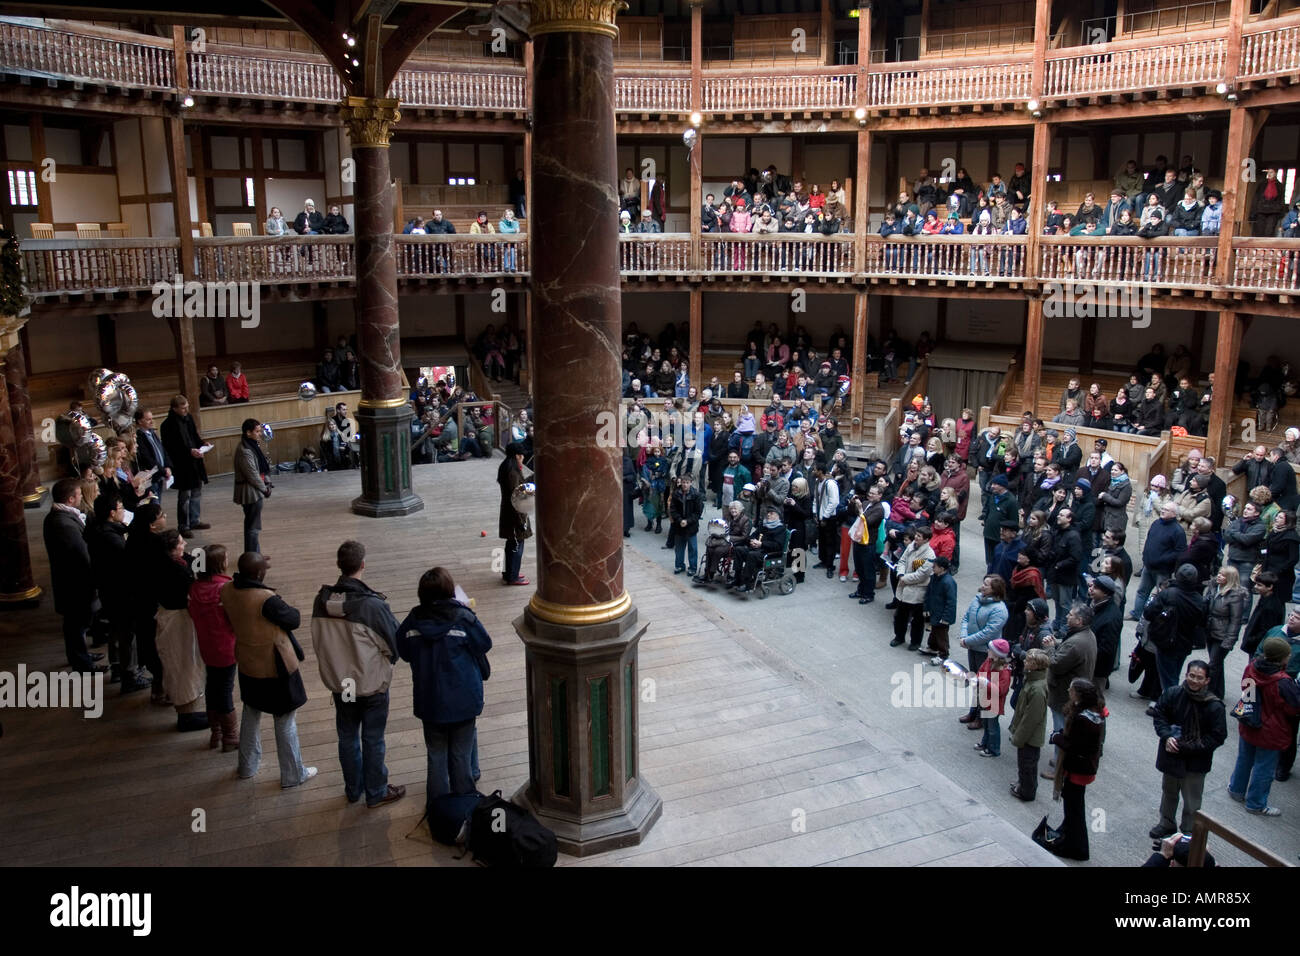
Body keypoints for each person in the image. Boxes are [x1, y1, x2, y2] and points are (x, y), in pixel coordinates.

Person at [312, 540, 405, 808]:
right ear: (363, 565)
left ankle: (353, 790)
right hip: (371, 683)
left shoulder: (321, 601)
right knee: (373, 738)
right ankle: (376, 792)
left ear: (339, 565)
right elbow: (394, 644)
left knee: (347, 735)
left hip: (342, 685)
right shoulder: (372, 606)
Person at [398, 567, 491, 805]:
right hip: (463, 699)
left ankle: (438, 806)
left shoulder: (413, 620)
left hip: (429, 699)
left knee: (436, 753)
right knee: (461, 753)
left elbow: (404, 651)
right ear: (450, 592)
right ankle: (464, 805)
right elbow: (484, 644)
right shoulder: (463, 618)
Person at [223, 551, 317, 789]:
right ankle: (293, 773)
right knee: (285, 718)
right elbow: (293, 619)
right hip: (275, 664)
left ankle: (247, 766)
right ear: (260, 573)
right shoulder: (266, 599)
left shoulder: (227, 591)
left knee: (251, 711)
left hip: (247, 660)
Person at [1148, 660, 1227, 838]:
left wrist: (1189, 746)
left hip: (1195, 762)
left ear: (1207, 681)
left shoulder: (1214, 706)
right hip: (1171, 755)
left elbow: (1217, 736)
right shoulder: (1173, 693)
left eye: (1199, 678)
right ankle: (1166, 823)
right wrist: (1167, 736)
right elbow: (1159, 714)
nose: (1194, 680)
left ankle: (1189, 832)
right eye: (1192, 676)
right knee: (1169, 792)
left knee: (1192, 801)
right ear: (1186, 675)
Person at [1033, 677, 1106, 861]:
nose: (1068, 691)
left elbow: (1075, 746)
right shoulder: (1091, 713)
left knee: (1075, 809)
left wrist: (1056, 737)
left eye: (1071, 689)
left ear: (1079, 695)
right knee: (1073, 807)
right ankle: (1070, 837)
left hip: (1078, 769)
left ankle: (1077, 847)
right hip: (1081, 768)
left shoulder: (1084, 719)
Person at [1228, 636, 1300, 816]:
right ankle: (1256, 803)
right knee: (1264, 768)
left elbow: (1246, 689)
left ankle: (1236, 790)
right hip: (1271, 732)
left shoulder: (1251, 667)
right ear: (1281, 658)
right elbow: (1293, 708)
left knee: (1244, 759)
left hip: (1249, 723)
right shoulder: (1283, 681)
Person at [43, 478, 106, 674]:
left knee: (75, 624)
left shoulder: (59, 516)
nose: (81, 497)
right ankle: (82, 664)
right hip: (74, 584)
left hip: (71, 582)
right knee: (76, 625)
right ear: (70, 499)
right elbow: (81, 555)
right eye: (79, 495)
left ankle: (80, 656)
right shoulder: (64, 525)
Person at [153, 528, 209, 732]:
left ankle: (188, 711)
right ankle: (186, 716)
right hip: (177, 621)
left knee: (184, 664)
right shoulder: (174, 571)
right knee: (183, 665)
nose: (184, 544)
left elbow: (193, 558)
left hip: (175, 617)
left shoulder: (168, 562)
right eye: (180, 542)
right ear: (171, 550)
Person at [189, 544, 240, 752]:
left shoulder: (194, 589)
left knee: (212, 685)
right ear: (220, 564)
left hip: (207, 645)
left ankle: (215, 732)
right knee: (225, 688)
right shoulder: (225, 589)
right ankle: (231, 736)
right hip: (227, 646)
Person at [1143, 563, 1208, 692]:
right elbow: (1203, 622)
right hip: (1185, 643)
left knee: (1168, 679)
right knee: (1174, 674)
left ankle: (1170, 706)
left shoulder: (1168, 594)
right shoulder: (1199, 600)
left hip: (1167, 641)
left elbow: (1149, 613)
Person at [956, 575, 1009, 720]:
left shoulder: (1000, 610)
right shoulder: (977, 599)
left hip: (985, 652)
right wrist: (963, 637)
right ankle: (973, 712)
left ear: (995, 590)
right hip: (972, 647)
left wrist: (967, 640)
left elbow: (988, 633)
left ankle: (981, 717)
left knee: (984, 685)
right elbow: (966, 618)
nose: (983, 586)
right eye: (984, 583)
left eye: (987, 585)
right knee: (975, 682)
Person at [161, 394, 209, 538]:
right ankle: (183, 525)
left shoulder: (188, 419)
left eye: (187, 407)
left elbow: (194, 436)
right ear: (174, 408)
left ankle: (195, 520)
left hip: (194, 462)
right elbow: (171, 447)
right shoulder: (167, 425)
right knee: (184, 495)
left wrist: (202, 444)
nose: (186, 410)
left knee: (196, 491)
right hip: (182, 464)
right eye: (183, 408)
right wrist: (189, 451)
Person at [1010, 648, 1051, 800]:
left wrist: (1019, 737)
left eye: (1028, 661)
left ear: (1035, 665)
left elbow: (1031, 718)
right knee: (1025, 763)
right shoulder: (1032, 679)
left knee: (1028, 764)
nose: (1024, 662)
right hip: (1027, 733)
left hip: (1030, 736)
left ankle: (1026, 791)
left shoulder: (1037, 688)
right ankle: (1024, 784)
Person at [1205, 565, 1248, 701]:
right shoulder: (1213, 588)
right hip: (1211, 631)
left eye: (1223, 575)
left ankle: (1209, 692)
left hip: (1222, 635)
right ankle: (1218, 692)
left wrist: (1229, 640)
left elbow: (1235, 621)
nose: (1219, 576)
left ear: (1230, 579)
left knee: (1213, 665)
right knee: (1217, 663)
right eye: (1219, 573)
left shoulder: (1235, 596)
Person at [232, 418, 272, 555]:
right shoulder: (245, 450)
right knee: (252, 527)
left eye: (260, 431)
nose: (260, 434)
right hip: (249, 492)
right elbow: (252, 474)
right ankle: (252, 556)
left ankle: (255, 554)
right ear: (248, 433)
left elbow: (260, 469)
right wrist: (264, 488)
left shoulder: (252, 445)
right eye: (257, 431)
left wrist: (266, 481)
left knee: (252, 524)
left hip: (254, 490)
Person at [890, 526, 935, 649]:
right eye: (916, 535)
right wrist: (900, 573)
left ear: (926, 540)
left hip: (917, 591)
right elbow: (902, 561)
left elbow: (921, 574)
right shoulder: (911, 546)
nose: (916, 537)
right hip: (904, 589)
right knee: (900, 617)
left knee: (917, 620)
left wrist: (905, 578)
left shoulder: (929, 555)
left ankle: (915, 642)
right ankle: (899, 637)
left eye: (919, 536)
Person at [971, 638, 1013, 757]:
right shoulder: (989, 660)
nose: (988, 650)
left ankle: (994, 749)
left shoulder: (1004, 671)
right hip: (985, 699)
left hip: (994, 704)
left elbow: (1001, 690)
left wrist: (986, 683)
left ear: (996, 653)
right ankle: (985, 743)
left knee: (992, 727)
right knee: (986, 724)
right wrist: (978, 679)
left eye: (990, 649)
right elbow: (981, 671)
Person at [498, 441, 530, 586]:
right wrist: (521, 519)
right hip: (515, 513)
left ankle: (510, 572)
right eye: (521, 455)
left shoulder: (507, 466)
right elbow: (516, 495)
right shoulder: (512, 472)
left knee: (512, 543)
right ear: (517, 456)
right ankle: (513, 576)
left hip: (509, 511)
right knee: (517, 543)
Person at [670, 473, 703, 575]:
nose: (685, 485)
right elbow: (673, 509)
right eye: (683, 482)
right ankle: (679, 565)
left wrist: (687, 521)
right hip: (679, 525)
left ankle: (692, 567)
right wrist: (680, 520)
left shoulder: (696, 495)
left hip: (691, 526)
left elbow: (698, 512)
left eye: (687, 483)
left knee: (692, 548)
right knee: (679, 548)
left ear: (691, 483)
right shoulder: (676, 494)